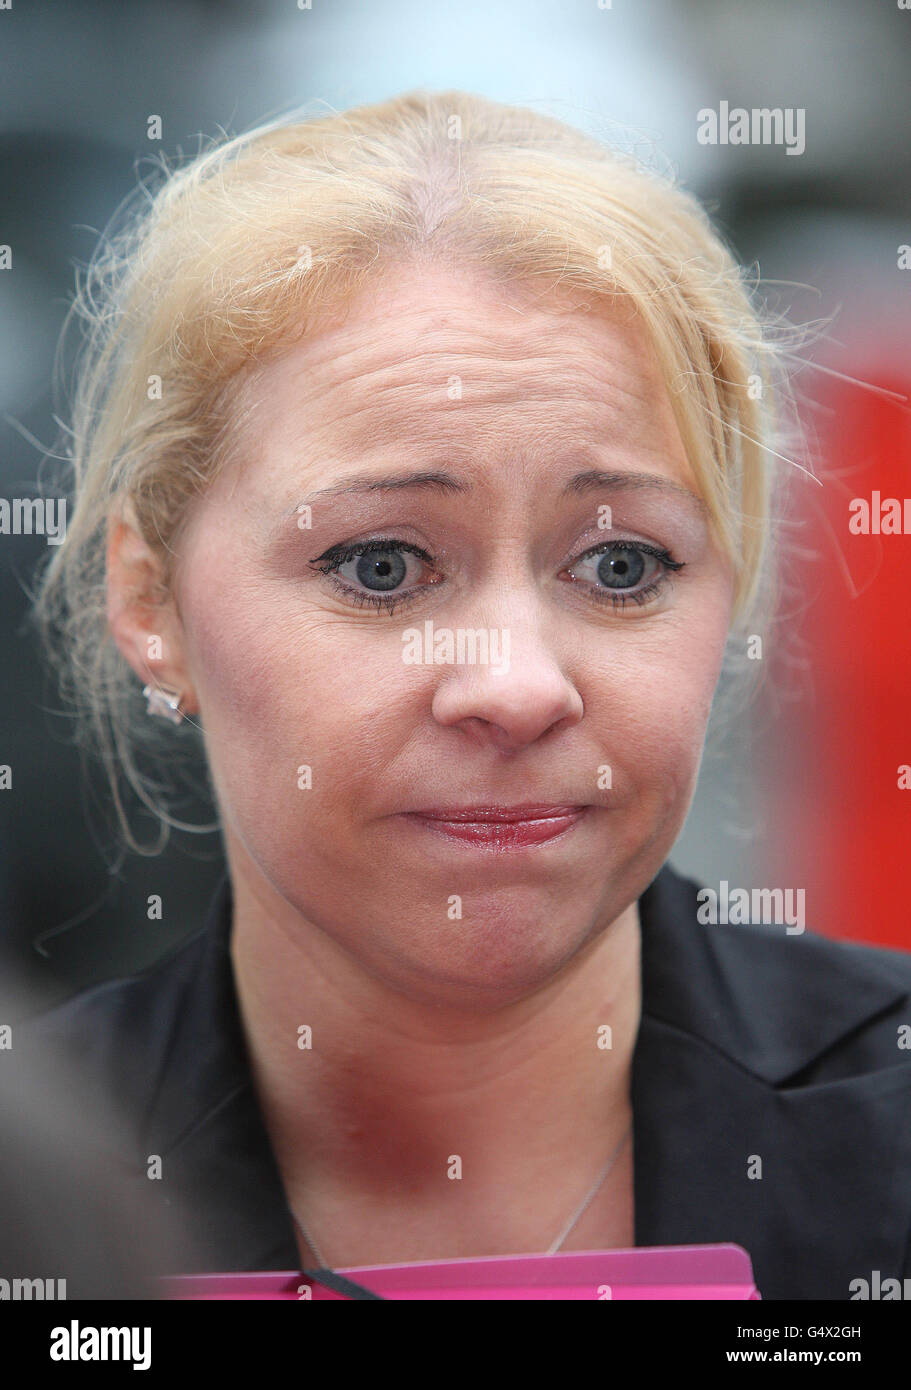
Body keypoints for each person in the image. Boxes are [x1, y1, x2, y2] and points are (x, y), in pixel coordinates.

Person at [17, 89, 911, 1300]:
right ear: (149, 601)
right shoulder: (40, 1202)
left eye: (620, 565)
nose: (517, 687)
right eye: (381, 565)